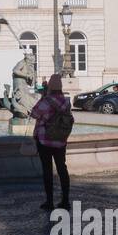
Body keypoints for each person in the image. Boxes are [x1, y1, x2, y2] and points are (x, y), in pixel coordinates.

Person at [29, 74, 74, 210]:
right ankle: (65, 200)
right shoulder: (66, 102)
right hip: (61, 140)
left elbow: (34, 114)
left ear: (49, 87)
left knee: (47, 170)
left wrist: (43, 96)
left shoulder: (46, 101)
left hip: (45, 140)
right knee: (62, 169)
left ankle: (49, 202)